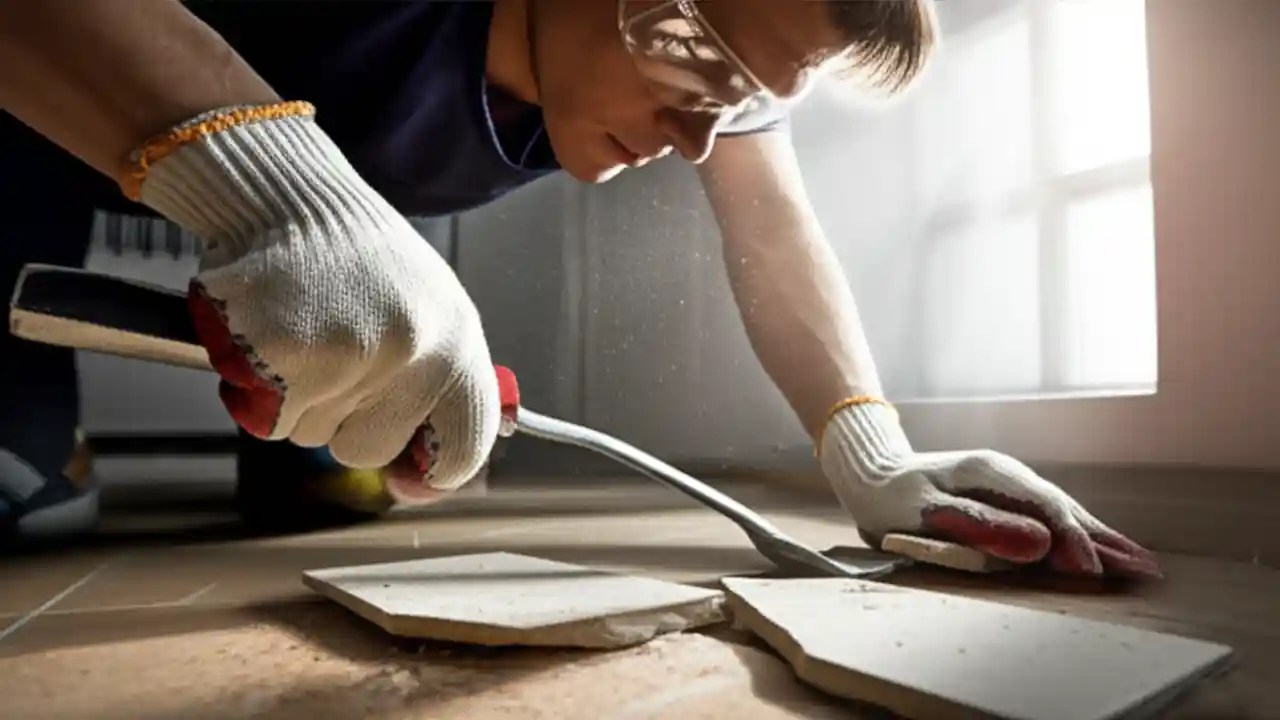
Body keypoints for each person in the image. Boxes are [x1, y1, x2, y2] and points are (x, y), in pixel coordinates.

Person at [0, 0, 1160, 578]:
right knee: (31, 501)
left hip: (281, 252)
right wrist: (290, 197)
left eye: (750, 99)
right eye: (698, 55)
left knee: (334, 472)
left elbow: (773, 223)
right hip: (33, 124)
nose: (706, 136)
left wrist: (870, 455)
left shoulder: (697, 100)